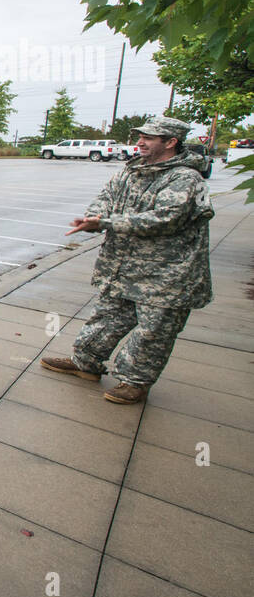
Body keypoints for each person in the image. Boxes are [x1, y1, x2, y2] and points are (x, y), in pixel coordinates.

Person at [40, 116, 213, 404]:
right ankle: (85, 363)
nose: (140, 142)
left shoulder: (185, 178)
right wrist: (94, 216)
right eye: (140, 136)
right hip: (122, 267)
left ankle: (134, 382)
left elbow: (165, 219)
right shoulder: (131, 171)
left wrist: (107, 223)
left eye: (149, 138)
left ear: (170, 142)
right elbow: (105, 197)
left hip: (166, 275)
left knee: (152, 331)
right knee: (106, 317)